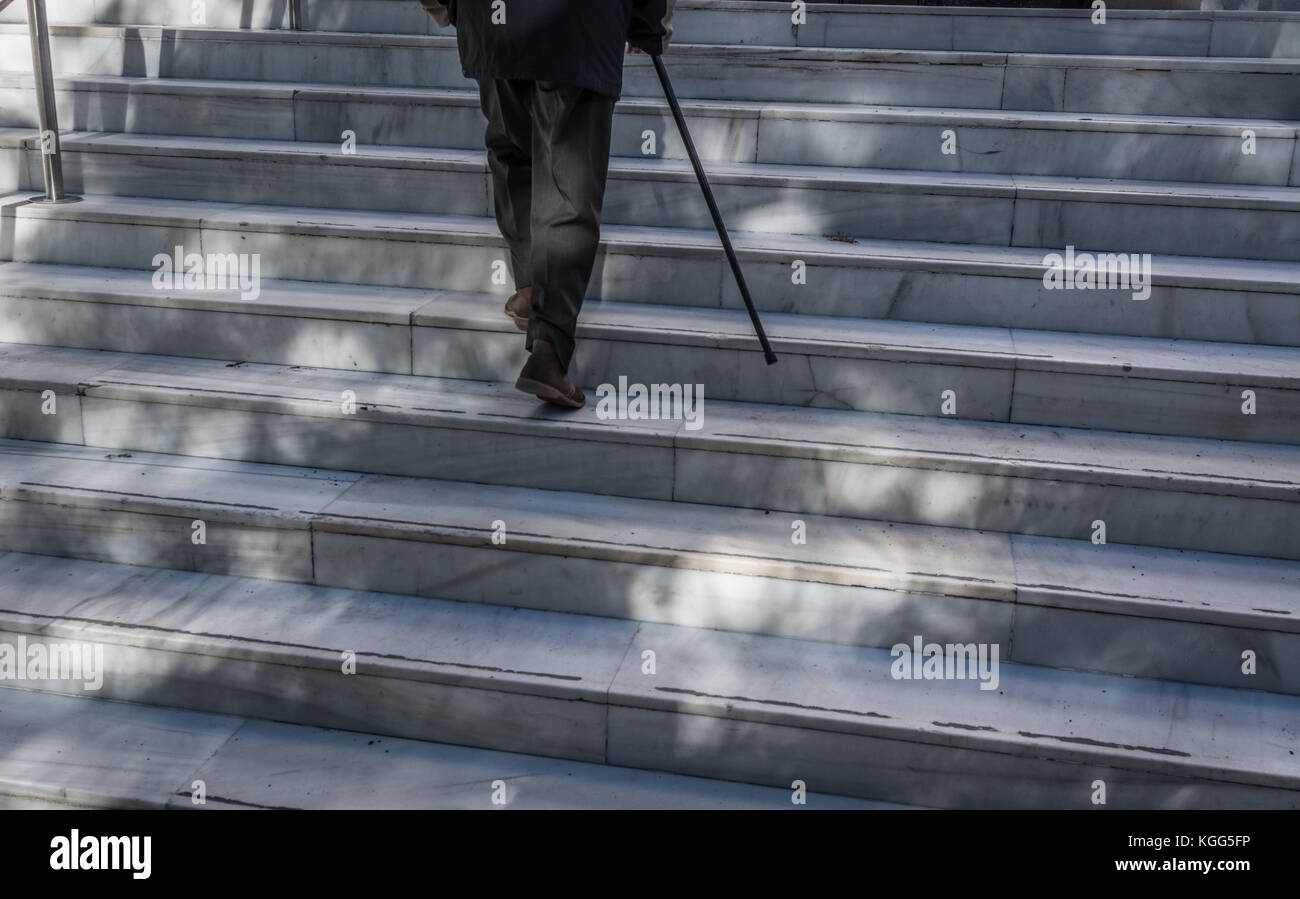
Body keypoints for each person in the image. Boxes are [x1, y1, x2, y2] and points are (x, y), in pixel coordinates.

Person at [419, 0, 676, 408]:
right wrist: (649, 23)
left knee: (511, 150)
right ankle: (548, 349)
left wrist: (449, 7)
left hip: (491, 19)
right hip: (577, 22)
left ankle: (529, 287)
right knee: (568, 180)